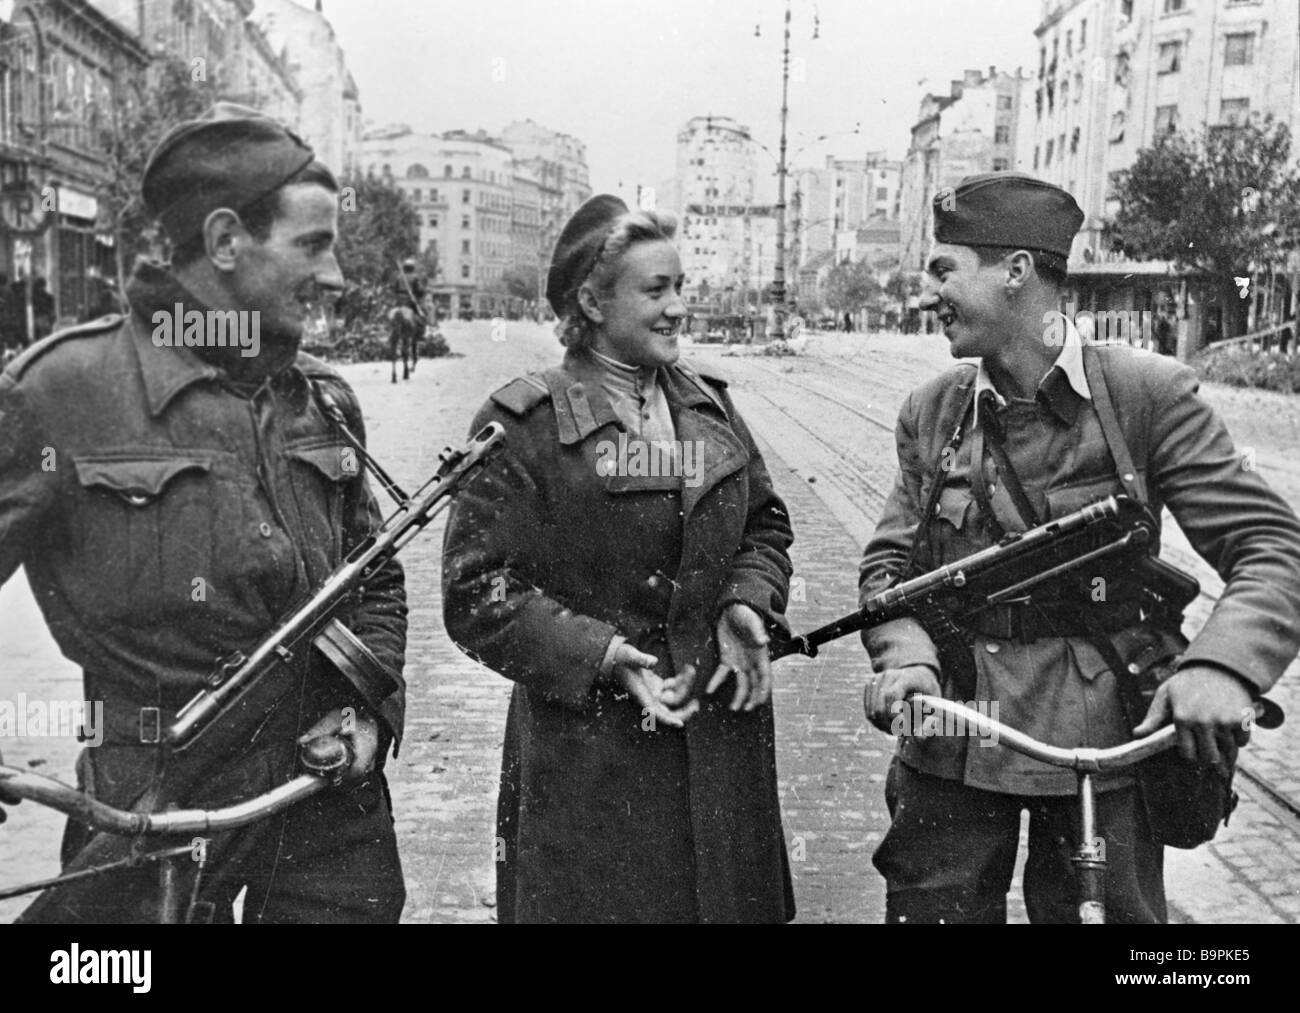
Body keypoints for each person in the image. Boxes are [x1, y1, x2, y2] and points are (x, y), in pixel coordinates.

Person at [0, 104, 408, 923]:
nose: (334, 278)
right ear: (225, 241)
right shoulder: (63, 393)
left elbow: (377, 575)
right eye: (313, 246)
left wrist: (367, 704)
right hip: (153, 801)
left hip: (323, 791)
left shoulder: (320, 399)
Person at [858, 172, 1300, 924]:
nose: (929, 289)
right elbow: (888, 570)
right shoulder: (933, 411)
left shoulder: (1144, 394)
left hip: (1102, 735)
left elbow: (1272, 547)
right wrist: (906, 659)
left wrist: (1221, 669)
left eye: (944, 269)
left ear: (1017, 271)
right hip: (958, 725)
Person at [442, 195, 797, 923]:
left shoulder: (710, 407)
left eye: (680, 288)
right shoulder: (525, 424)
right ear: (591, 302)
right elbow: (475, 590)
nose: (677, 309)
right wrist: (600, 653)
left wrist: (744, 602)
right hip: (591, 763)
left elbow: (764, 523)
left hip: (717, 743)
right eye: (655, 290)